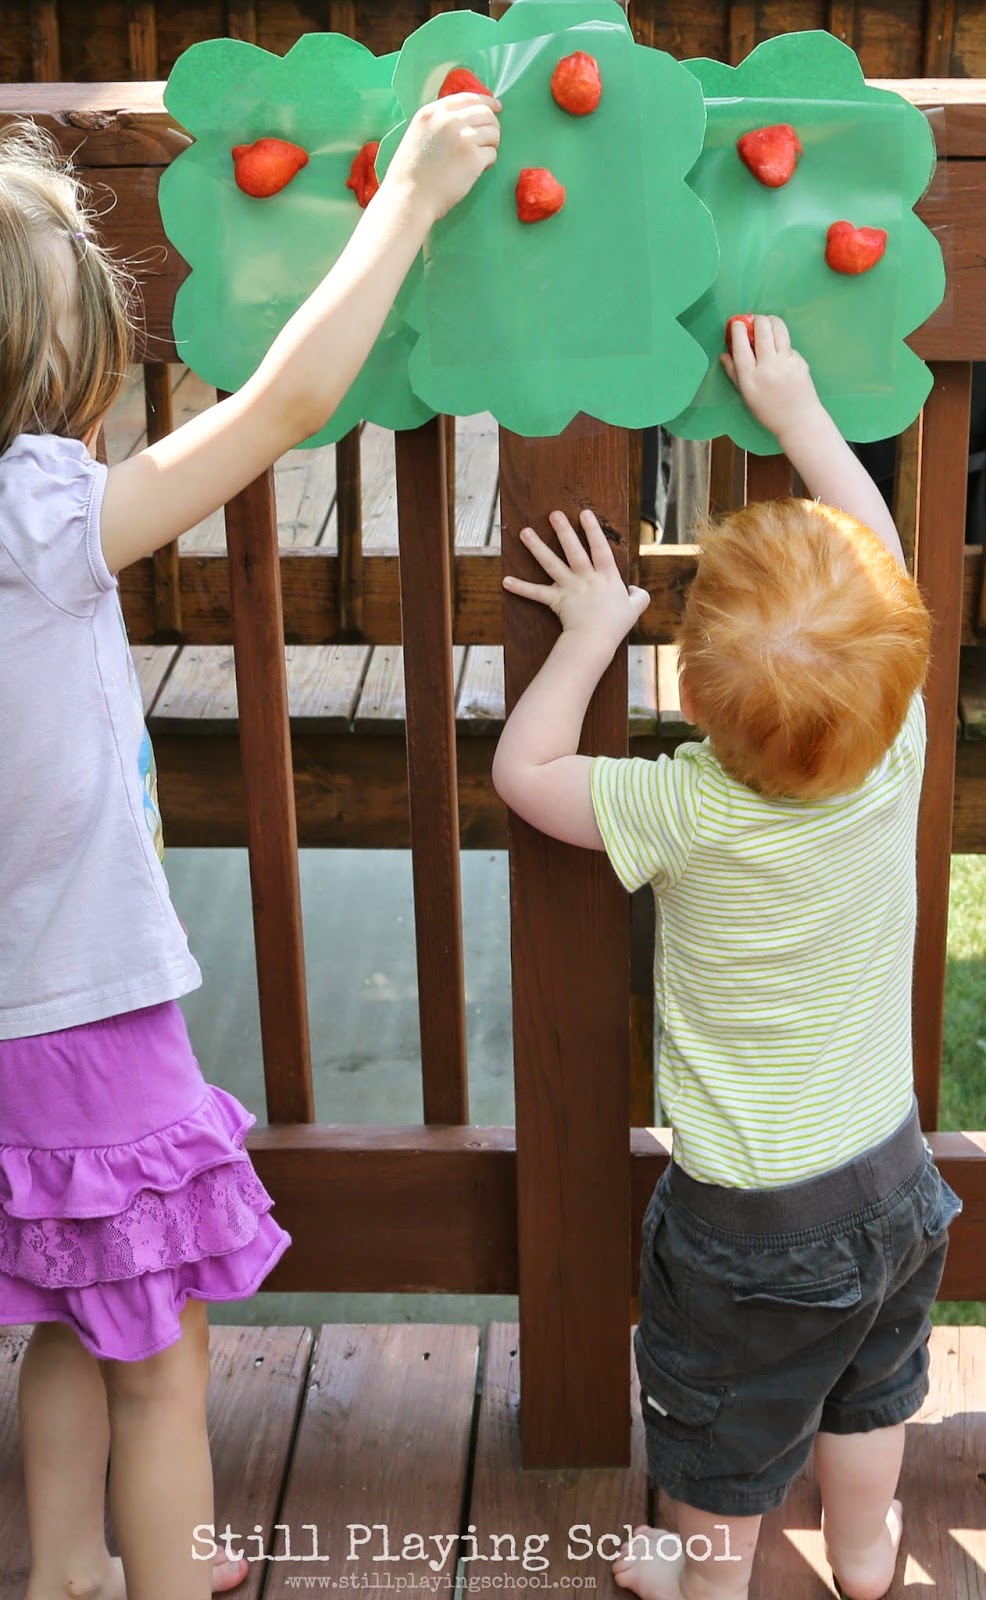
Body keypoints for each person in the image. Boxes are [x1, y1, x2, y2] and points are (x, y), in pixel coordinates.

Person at [0, 91, 499, 1600]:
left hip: (18, 1014)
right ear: (62, 349)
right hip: (79, 1009)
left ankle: (73, 1570)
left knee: (80, 1307)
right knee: (159, 1341)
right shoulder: (37, 518)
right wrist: (404, 205)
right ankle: (151, 1572)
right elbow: (279, 410)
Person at [491, 315, 961, 1600]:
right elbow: (882, 556)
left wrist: (592, 627)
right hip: (892, 1177)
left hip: (745, 1228)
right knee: (871, 1389)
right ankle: (864, 1550)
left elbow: (522, 774)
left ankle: (707, 1580)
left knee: (720, 1437)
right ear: (899, 653)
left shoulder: (683, 807)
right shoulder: (898, 745)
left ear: (691, 702)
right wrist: (801, 411)